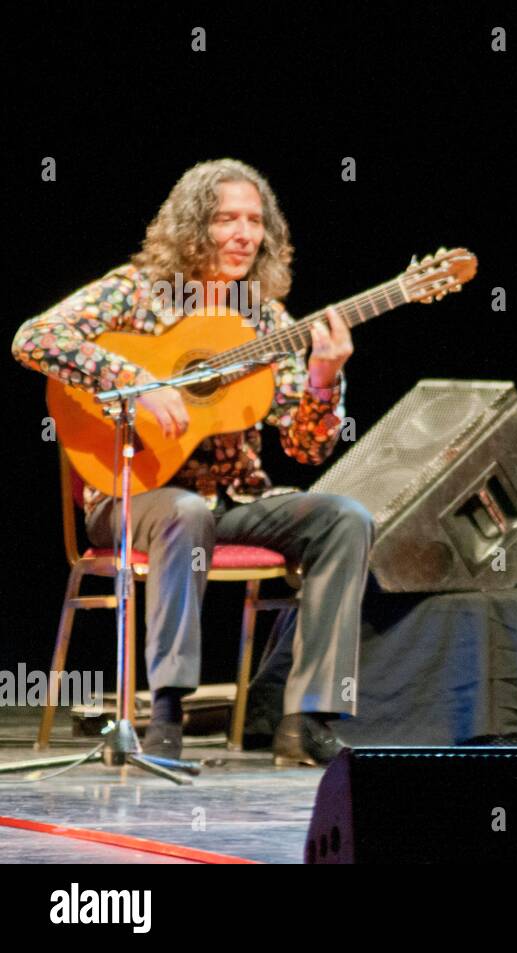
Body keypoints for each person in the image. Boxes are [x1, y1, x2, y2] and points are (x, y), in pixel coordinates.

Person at [12, 158, 374, 766]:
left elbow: (307, 447)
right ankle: (167, 718)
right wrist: (138, 383)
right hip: (134, 498)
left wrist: (322, 379)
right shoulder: (137, 291)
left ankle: (307, 718)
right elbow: (35, 338)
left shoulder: (264, 321)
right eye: (225, 219)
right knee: (184, 512)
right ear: (191, 226)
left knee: (346, 517)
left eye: (254, 221)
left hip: (235, 501)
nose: (243, 234)